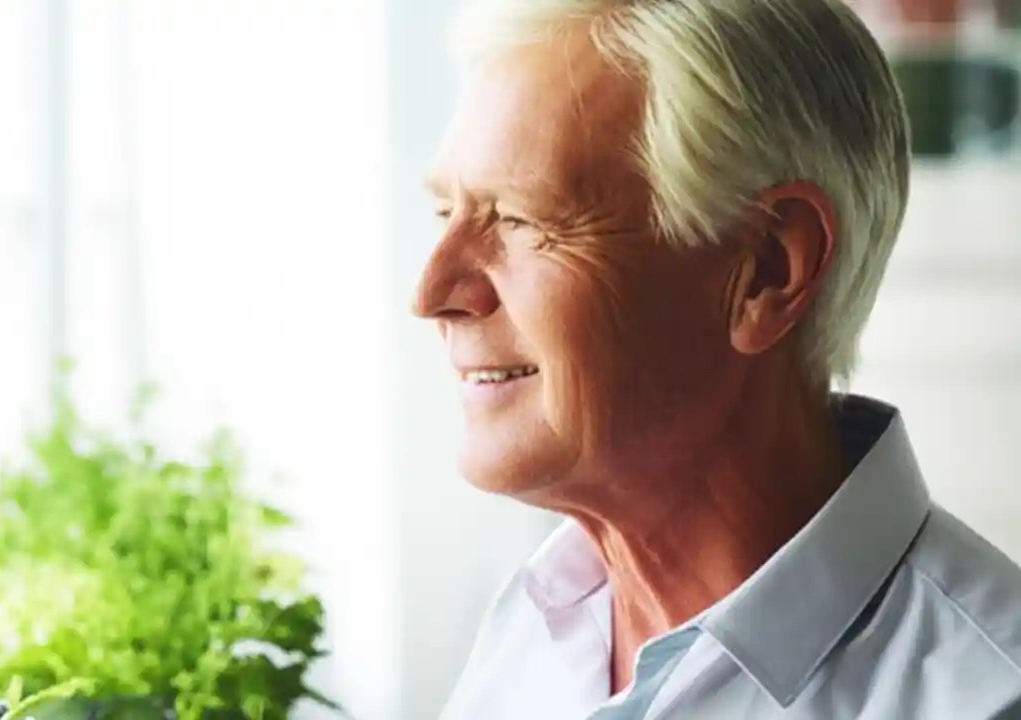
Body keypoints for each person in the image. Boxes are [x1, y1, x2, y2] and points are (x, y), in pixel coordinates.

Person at [412, 0, 1021, 717]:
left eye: (519, 219)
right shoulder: (533, 625)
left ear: (765, 269)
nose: (432, 293)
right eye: (446, 214)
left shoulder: (986, 696)